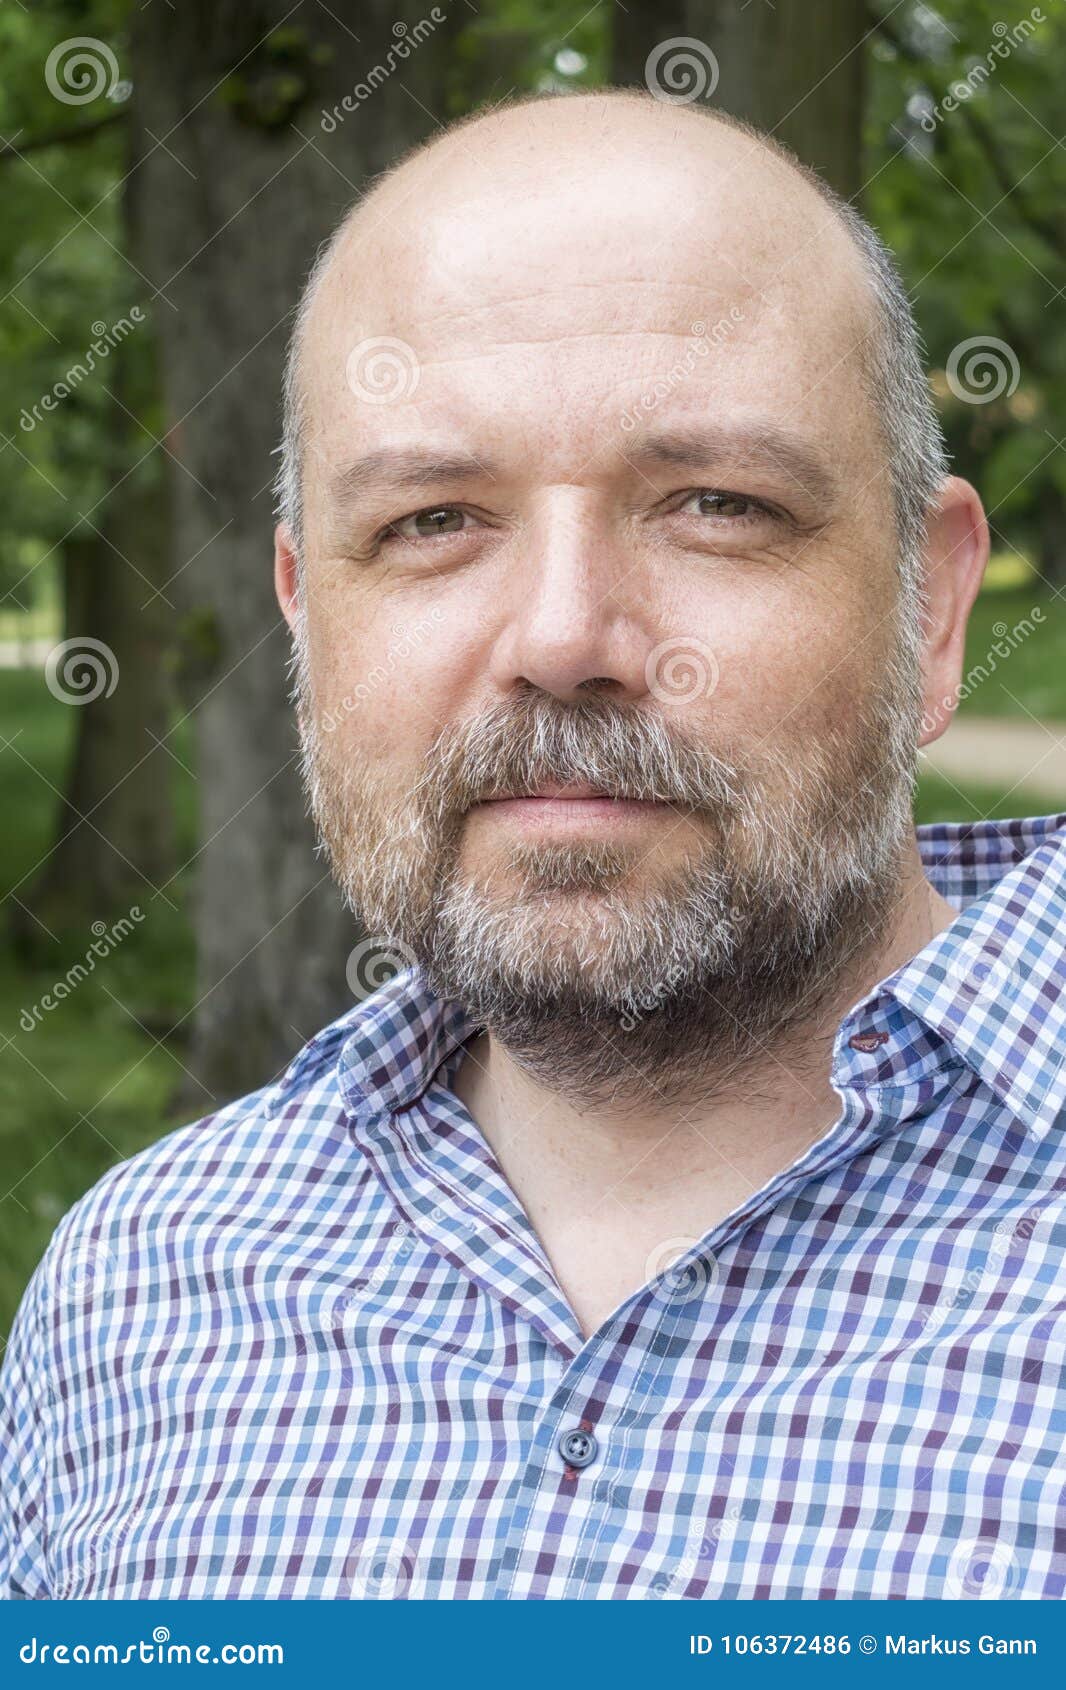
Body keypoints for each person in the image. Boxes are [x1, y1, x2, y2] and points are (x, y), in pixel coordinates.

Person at [2, 88, 1063, 1602]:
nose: (562, 639)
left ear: (931, 607)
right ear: (307, 616)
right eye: (433, 521)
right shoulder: (132, 1295)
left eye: (715, 503)